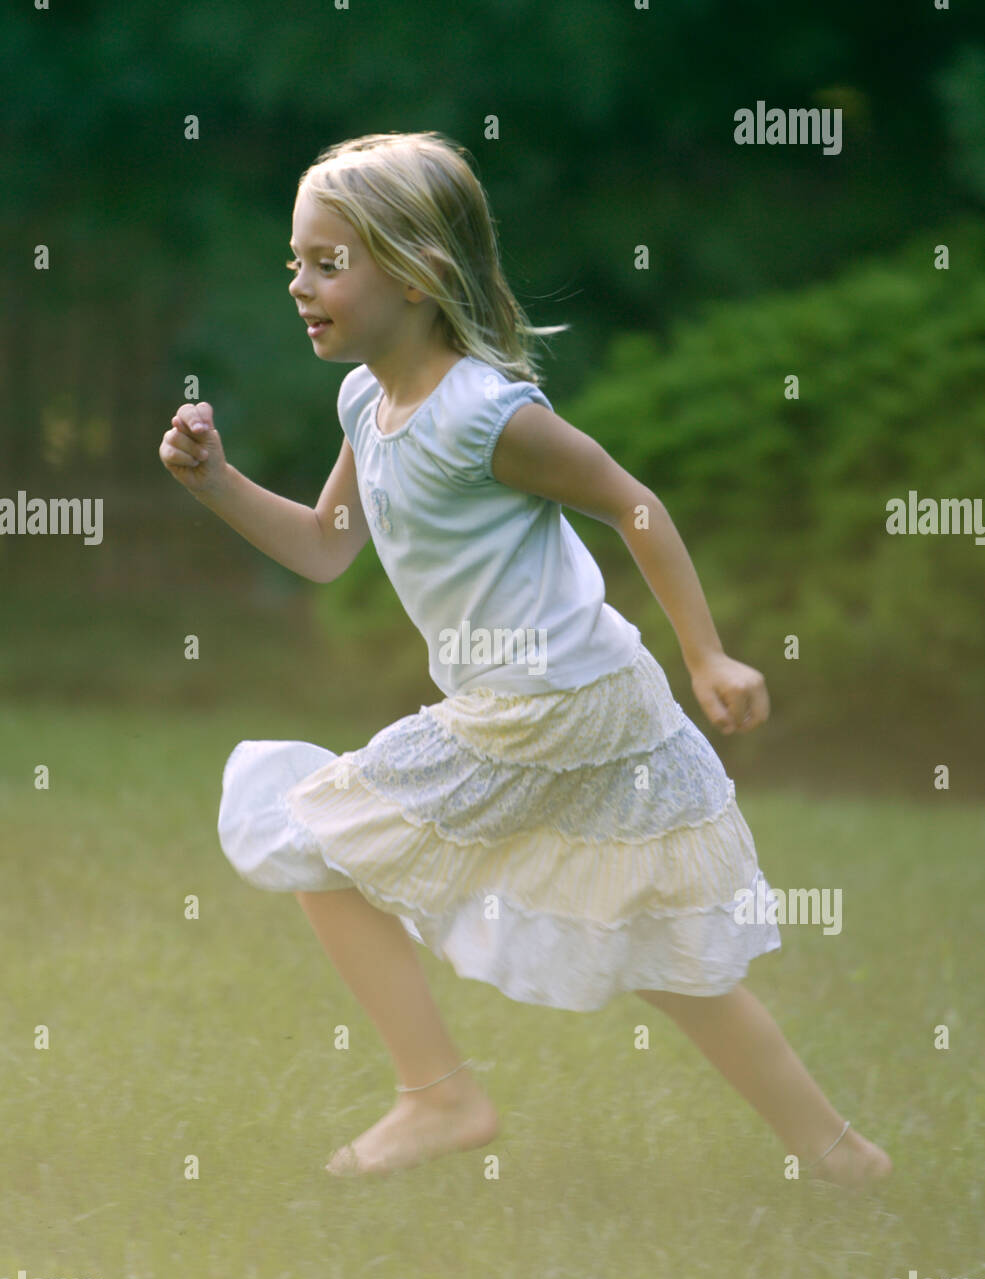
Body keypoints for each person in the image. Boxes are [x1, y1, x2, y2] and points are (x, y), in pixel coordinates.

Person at [159, 132, 891, 1188]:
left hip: (552, 702)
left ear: (413, 275)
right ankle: (841, 1156)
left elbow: (631, 501)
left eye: (328, 263)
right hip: (584, 701)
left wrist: (710, 655)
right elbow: (326, 548)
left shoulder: (483, 412)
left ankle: (439, 1096)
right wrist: (217, 484)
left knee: (311, 825)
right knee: (661, 951)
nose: (300, 286)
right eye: (294, 263)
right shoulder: (367, 402)